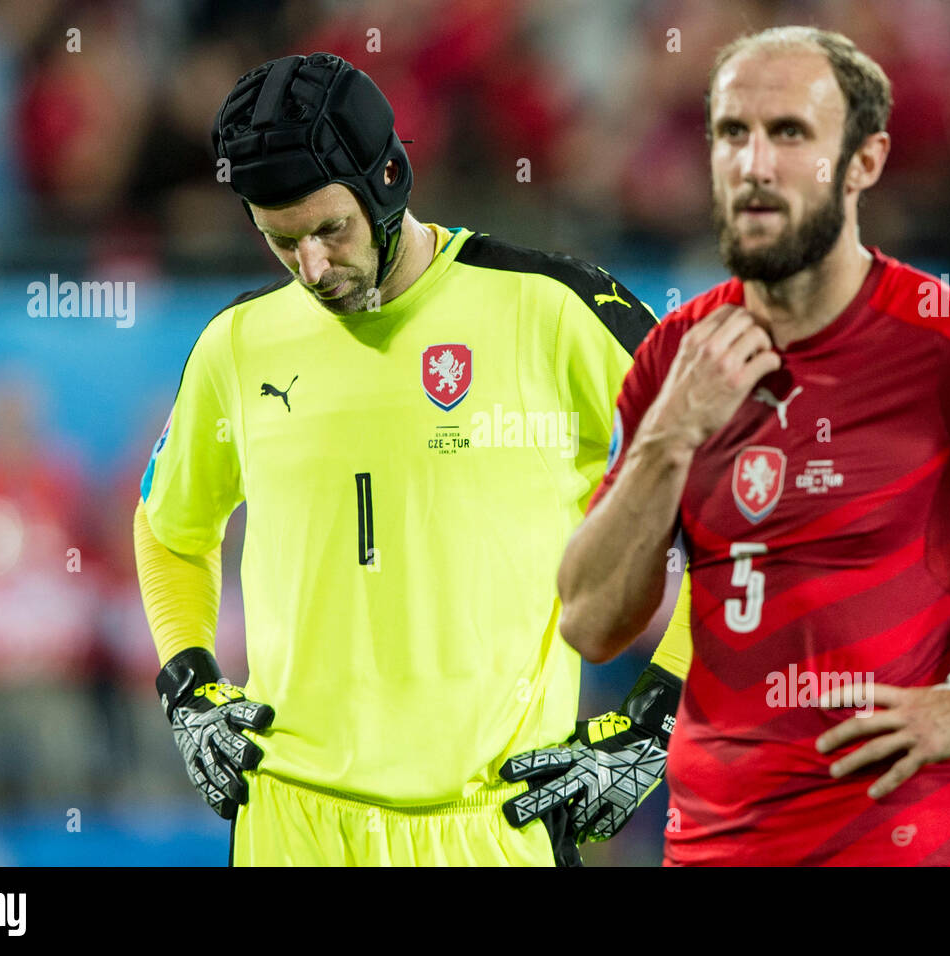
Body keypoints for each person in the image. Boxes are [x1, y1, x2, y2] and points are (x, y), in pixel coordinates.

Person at [556, 26, 950, 866]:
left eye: (789, 133)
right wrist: (669, 438)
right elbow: (591, 622)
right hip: (710, 848)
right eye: (732, 133)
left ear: (865, 160)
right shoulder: (676, 355)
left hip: (900, 845)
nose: (754, 164)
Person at [134, 53, 691, 866]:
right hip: (287, 828)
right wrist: (187, 681)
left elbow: (743, 508)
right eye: (280, 241)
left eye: (331, 229)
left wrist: (660, 710)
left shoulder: (556, 309)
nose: (313, 269)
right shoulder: (237, 344)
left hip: (494, 827)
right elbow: (171, 530)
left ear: (389, 177)